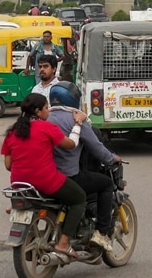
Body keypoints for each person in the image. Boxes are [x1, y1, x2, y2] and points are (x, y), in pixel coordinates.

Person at [1, 93, 90, 261]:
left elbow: (8, 165)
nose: (48, 111)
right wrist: (78, 123)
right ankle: (63, 243)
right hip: (45, 181)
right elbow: (71, 144)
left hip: (19, 184)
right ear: (38, 111)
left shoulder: (12, 132)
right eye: (46, 108)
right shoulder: (46, 127)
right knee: (79, 198)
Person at [47, 82, 119, 252]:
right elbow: (97, 149)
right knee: (106, 183)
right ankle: (101, 233)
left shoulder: (44, 117)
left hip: (43, 176)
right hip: (67, 177)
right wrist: (112, 158)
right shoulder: (76, 118)